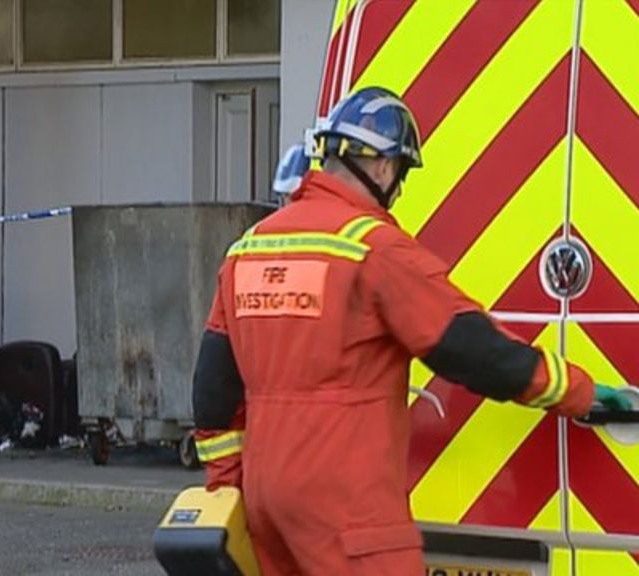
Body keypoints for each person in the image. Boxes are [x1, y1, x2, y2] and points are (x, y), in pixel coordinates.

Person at [191, 86, 632, 576]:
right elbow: (473, 351)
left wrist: (231, 490)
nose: (398, 190)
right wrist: (579, 391)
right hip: (348, 506)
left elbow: (213, 393)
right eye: (400, 174)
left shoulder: (248, 250)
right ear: (381, 167)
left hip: (267, 500)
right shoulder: (372, 250)